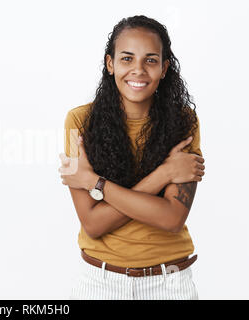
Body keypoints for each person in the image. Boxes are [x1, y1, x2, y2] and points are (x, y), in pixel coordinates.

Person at [59, 15, 205, 300]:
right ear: (110, 64)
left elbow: (172, 217)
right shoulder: (79, 121)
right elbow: (93, 224)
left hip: (169, 284)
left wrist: (93, 182)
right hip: (99, 283)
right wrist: (163, 175)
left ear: (164, 69)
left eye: (150, 60)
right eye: (127, 59)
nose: (138, 70)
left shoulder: (184, 122)